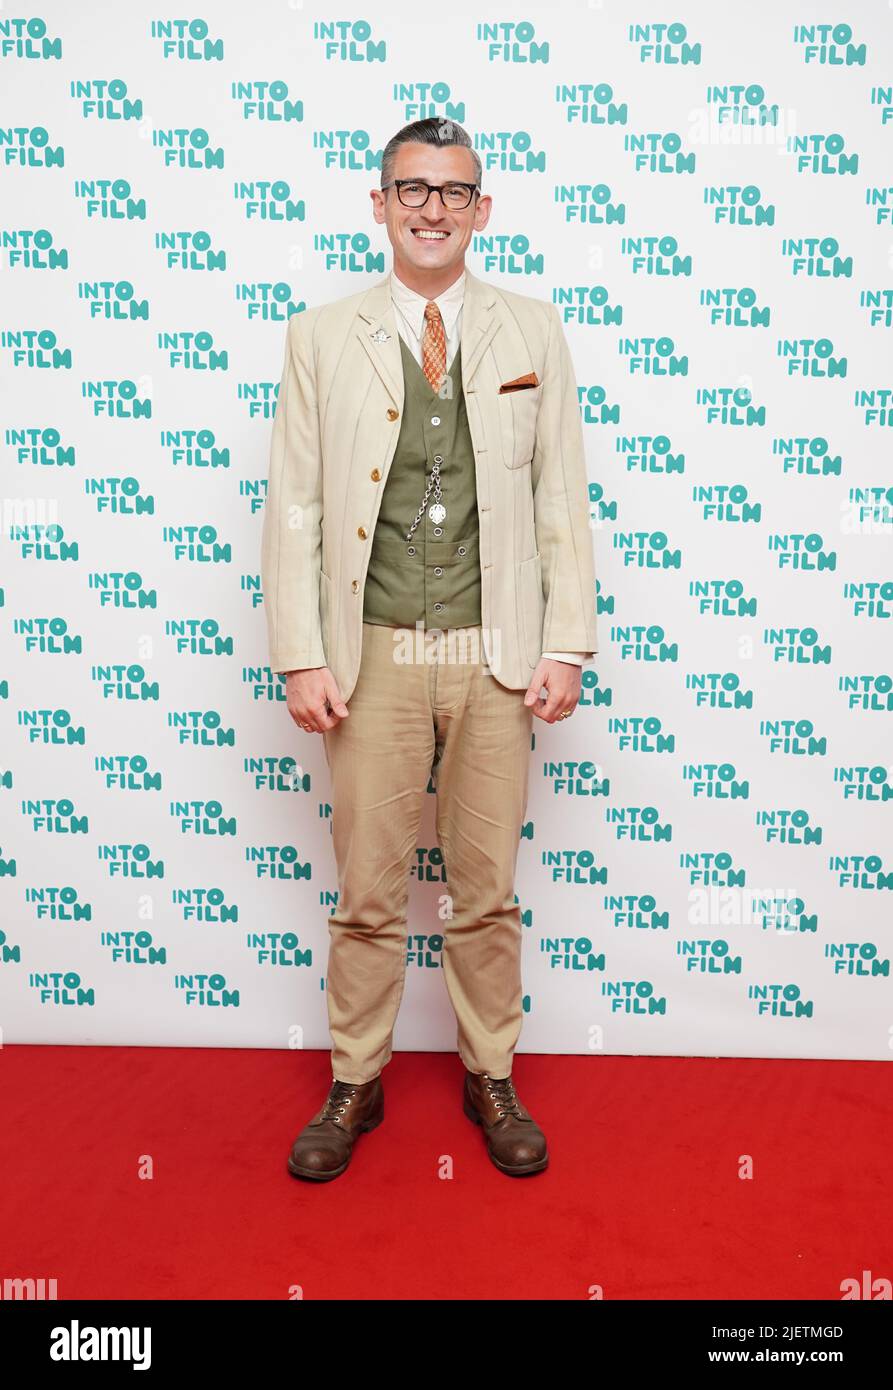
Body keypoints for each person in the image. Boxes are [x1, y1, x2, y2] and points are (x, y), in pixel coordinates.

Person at [260, 117, 598, 1182]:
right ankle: (354, 1079)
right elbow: (297, 509)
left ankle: (487, 1071)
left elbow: (559, 500)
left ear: (481, 208)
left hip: (498, 652)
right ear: (378, 203)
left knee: (484, 886)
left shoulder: (532, 330)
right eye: (411, 188)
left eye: (453, 191)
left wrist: (566, 645)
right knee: (367, 885)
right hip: (371, 653)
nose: (431, 208)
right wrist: (299, 654)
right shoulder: (321, 336)